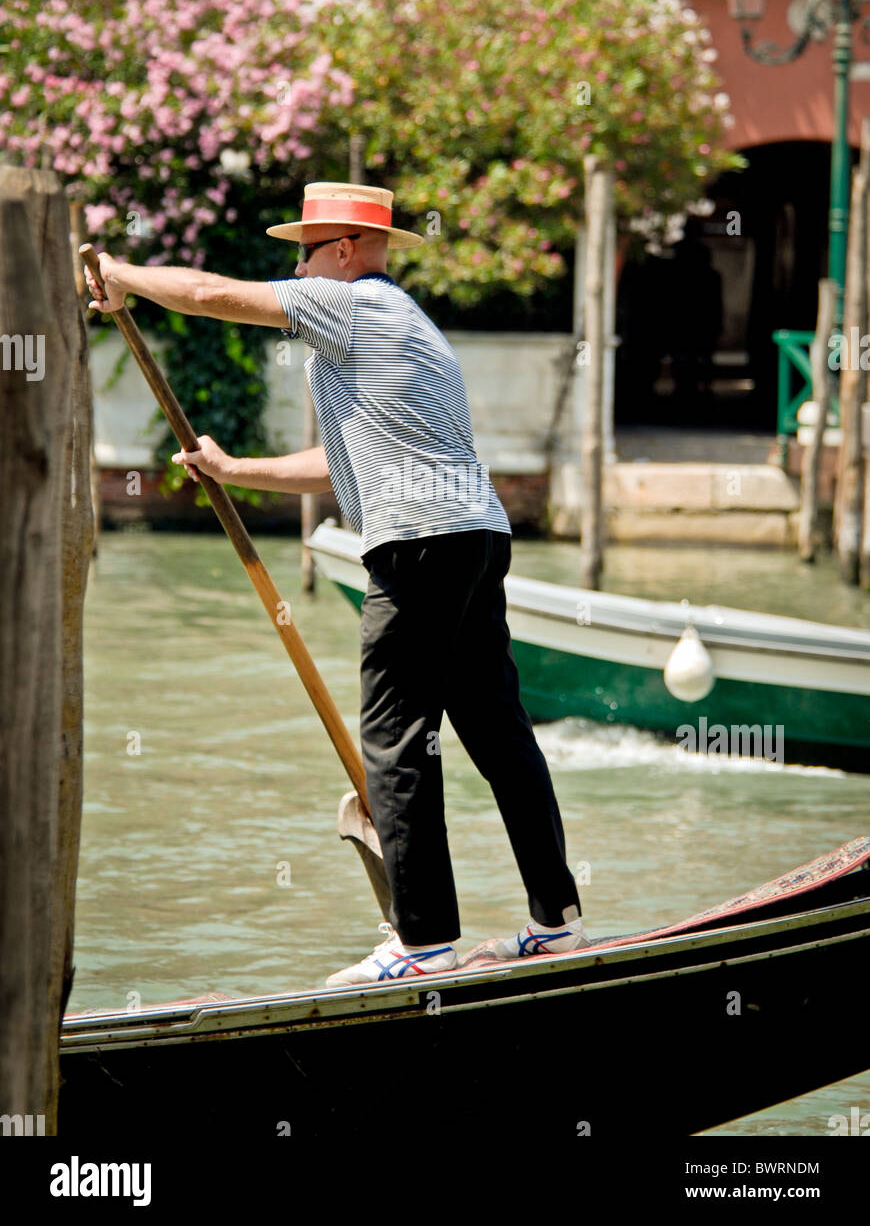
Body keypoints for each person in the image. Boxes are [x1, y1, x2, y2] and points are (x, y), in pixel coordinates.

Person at [85, 181, 589, 987]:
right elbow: (339, 460)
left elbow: (215, 294)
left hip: (420, 545)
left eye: (306, 253)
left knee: (393, 741)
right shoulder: (406, 325)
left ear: (345, 250)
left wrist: (123, 273)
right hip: (473, 536)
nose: (298, 269)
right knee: (497, 732)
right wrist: (233, 469)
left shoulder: (349, 306)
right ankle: (556, 921)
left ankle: (422, 942)